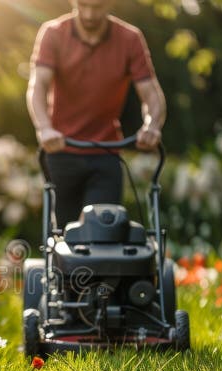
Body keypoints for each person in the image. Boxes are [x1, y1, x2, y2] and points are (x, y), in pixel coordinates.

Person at [26, 0, 166, 229]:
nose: (90, 14)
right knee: (63, 235)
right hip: (61, 149)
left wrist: (152, 125)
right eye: (83, 5)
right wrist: (44, 127)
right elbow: (37, 85)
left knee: (104, 231)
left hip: (106, 153)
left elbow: (151, 93)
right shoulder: (53, 33)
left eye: (97, 6)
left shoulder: (130, 39)